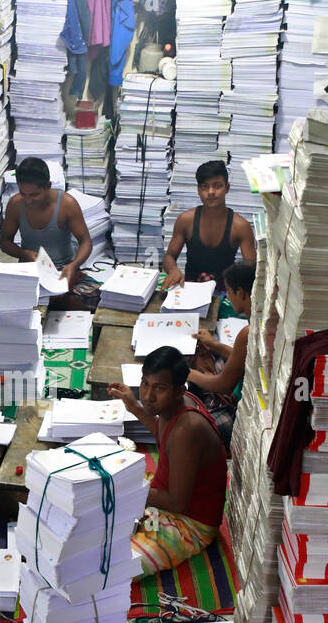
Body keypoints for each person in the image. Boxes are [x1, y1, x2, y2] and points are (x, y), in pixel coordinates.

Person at [108, 346, 228, 579]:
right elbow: (165, 436)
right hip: (161, 500)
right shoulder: (178, 404)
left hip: (187, 524)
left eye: (159, 388)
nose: (148, 396)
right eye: (145, 384)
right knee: (99, 519)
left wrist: (126, 489)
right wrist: (133, 407)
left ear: (177, 390)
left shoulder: (188, 429)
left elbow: (177, 503)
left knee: (115, 569)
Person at [0, 156, 100, 311]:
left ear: (48, 186)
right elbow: (5, 242)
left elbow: (85, 241)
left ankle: (54, 301)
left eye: (34, 195)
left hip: (64, 270)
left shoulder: (67, 204)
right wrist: (25, 253)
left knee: (96, 298)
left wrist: (73, 266)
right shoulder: (16, 204)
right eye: (23, 193)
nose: (28, 200)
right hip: (30, 271)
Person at [187, 260, 254, 447]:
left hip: (241, 409)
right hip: (237, 385)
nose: (228, 297)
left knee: (192, 429)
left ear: (240, 292)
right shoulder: (258, 322)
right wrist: (213, 345)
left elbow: (223, 385)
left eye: (229, 292)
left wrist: (189, 374)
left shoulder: (247, 333)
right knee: (206, 353)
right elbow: (243, 356)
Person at [163, 160, 256, 288]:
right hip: (190, 289)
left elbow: (251, 268)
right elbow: (169, 256)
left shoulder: (240, 226)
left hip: (226, 294)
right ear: (198, 189)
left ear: (227, 188)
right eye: (205, 186)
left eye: (217, 186)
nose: (211, 192)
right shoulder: (185, 220)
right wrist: (174, 270)